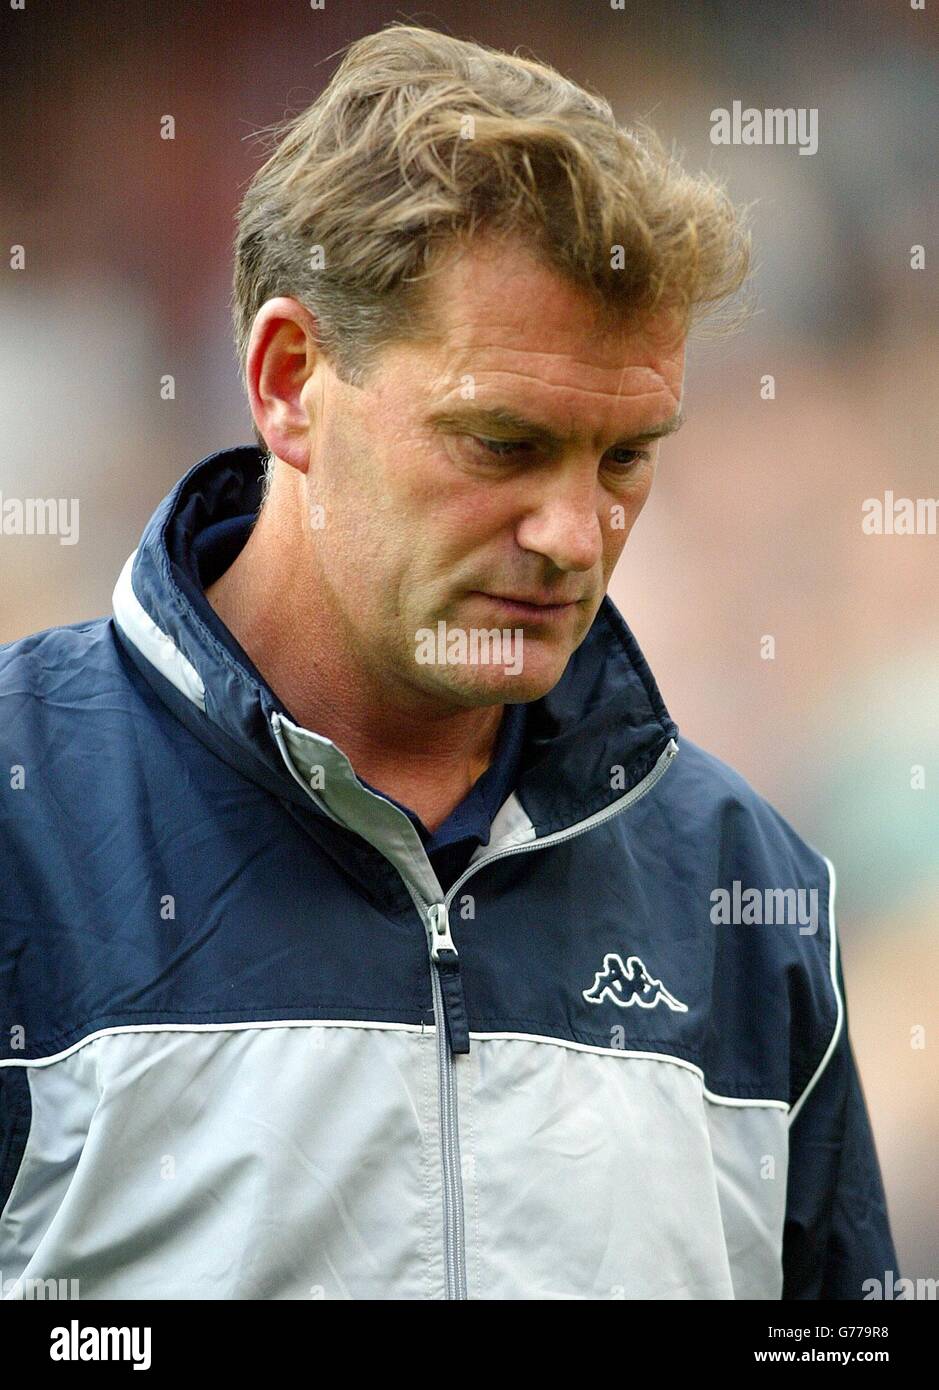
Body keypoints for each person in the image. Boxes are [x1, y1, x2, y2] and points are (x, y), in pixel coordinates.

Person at [0, 22, 897, 1300]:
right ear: (289, 381)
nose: (577, 535)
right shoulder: (24, 818)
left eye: (626, 456)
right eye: (502, 442)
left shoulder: (744, 886)